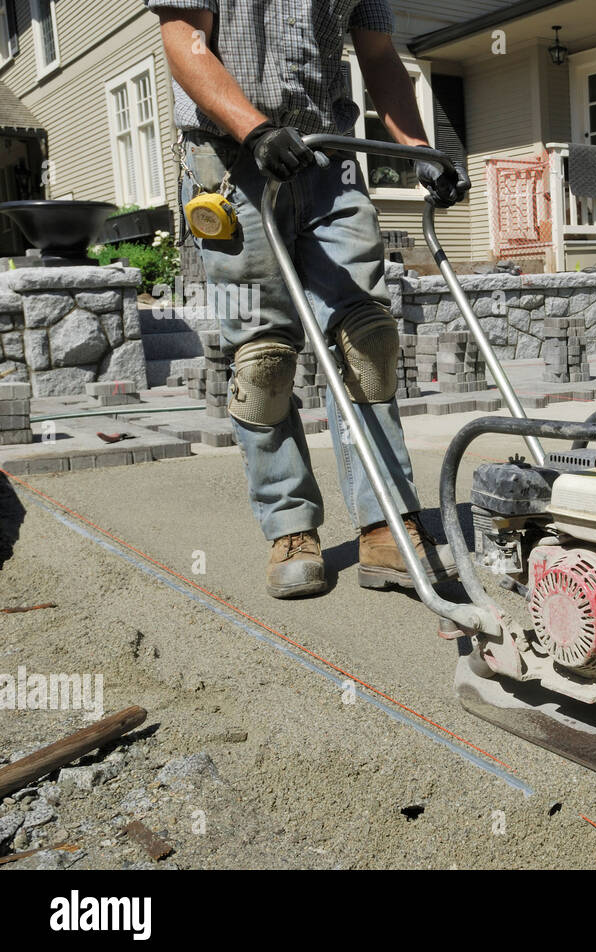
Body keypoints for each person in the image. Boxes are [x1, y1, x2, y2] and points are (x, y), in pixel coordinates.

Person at [150, 0, 471, 598]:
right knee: (263, 358)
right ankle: (291, 527)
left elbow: (377, 58)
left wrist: (421, 151)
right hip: (227, 160)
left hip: (330, 158)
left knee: (367, 340)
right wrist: (256, 128)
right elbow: (183, 41)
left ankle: (385, 519)